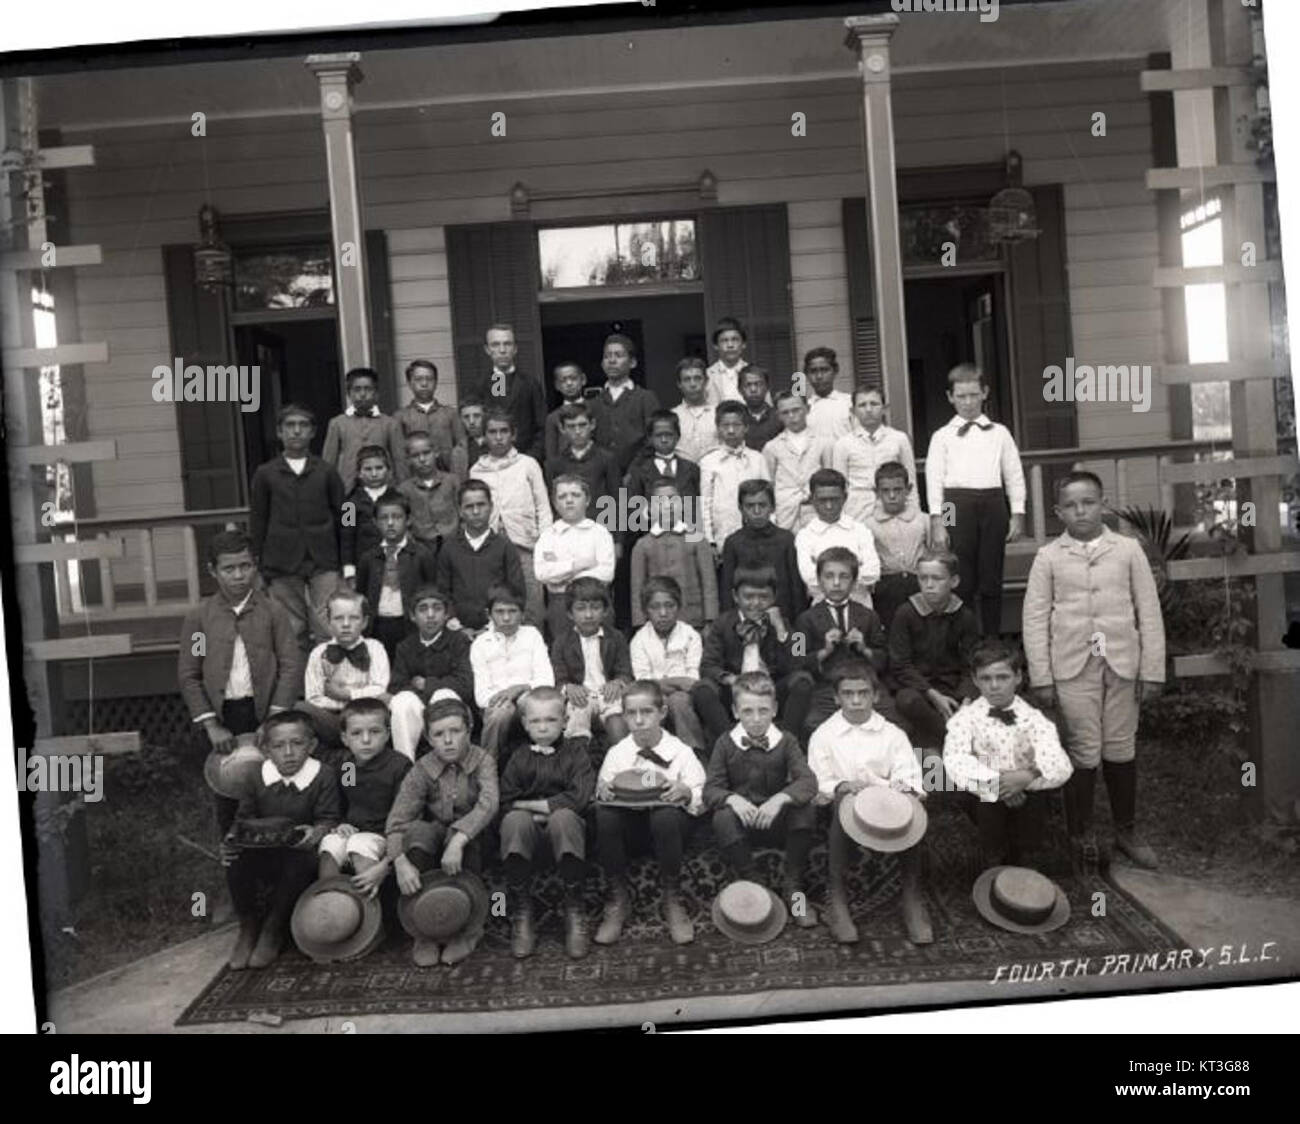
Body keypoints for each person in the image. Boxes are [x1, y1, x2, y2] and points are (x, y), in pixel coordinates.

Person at [1021, 470, 1166, 872]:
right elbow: (1034, 619)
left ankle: (1127, 831)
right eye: (1070, 505)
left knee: (1120, 745)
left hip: (1121, 662)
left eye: (1088, 502)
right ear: (1057, 512)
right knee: (1083, 748)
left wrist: (1151, 670)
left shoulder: (1128, 550)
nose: (1080, 511)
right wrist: (1042, 677)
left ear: (1102, 503)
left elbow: (1149, 612)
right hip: (1071, 665)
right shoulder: (1048, 557)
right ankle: (1080, 833)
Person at [178, 529, 301, 834]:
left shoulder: (273, 612)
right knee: (229, 786)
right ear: (213, 571)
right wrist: (211, 725)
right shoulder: (200, 618)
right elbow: (189, 673)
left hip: (265, 711)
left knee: (274, 783)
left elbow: (289, 665)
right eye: (228, 569)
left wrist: (275, 720)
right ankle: (233, 850)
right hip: (223, 716)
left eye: (245, 567)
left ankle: (278, 845)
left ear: (255, 565)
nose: (238, 576)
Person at [808, 662, 932, 944]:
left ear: (875, 696)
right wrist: (842, 786)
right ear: (836, 698)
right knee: (842, 797)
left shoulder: (893, 734)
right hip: (843, 810)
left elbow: (909, 774)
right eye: (848, 694)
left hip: (887, 808)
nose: (855, 701)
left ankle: (912, 896)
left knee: (912, 804)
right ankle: (837, 898)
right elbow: (818, 782)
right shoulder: (823, 735)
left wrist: (900, 789)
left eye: (863, 693)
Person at [222, 710, 341, 969]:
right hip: (263, 850)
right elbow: (244, 817)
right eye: (278, 745)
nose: (288, 752)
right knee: (236, 860)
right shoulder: (256, 776)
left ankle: (274, 927)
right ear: (266, 750)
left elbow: (330, 817)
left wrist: (317, 831)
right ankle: (248, 926)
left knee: (299, 862)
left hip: (300, 852)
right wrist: (233, 839)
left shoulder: (323, 775)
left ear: (312, 746)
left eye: (297, 744)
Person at [387, 691, 498, 966]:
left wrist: (458, 840)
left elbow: (488, 804)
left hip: (476, 836)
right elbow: (398, 820)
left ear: (469, 730)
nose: (448, 741)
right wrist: (399, 861)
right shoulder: (422, 769)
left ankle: (469, 928)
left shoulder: (483, 760)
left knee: (466, 838)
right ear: (427, 738)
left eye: (455, 731)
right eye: (438, 734)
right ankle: (424, 928)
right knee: (418, 833)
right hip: (438, 834)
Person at [593, 680, 706, 946]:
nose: (639, 720)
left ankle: (671, 896)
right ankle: (619, 896)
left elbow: (704, 795)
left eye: (647, 712)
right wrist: (605, 793)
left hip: (670, 832)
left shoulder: (680, 751)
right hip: (634, 833)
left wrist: (687, 792)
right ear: (624, 716)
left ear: (663, 713)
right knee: (604, 814)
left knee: (664, 814)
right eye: (631, 714)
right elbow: (601, 789)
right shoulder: (617, 753)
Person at [943, 640, 1073, 869]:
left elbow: (1059, 763)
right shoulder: (965, 719)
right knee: (988, 804)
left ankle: (1024, 858)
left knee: (1033, 808)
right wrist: (998, 785)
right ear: (975, 680)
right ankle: (992, 859)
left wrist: (1027, 777)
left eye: (1002, 677)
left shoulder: (1034, 719)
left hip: (1027, 790)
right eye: (986, 678)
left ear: (1018, 677)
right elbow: (955, 761)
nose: (994, 686)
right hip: (984, 792)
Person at [704, 671, 819, 926]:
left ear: (775, 709)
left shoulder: (786, 741)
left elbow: (808, 782)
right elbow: (710, 789)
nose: (756, 720)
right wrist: (732, 799)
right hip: (742, 828)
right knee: (722, 816)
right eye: (747, 711)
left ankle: (793, 886)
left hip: (775, 822)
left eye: (763, 711)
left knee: (804, 808)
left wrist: (779, 799)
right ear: (735, 711)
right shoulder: (725, 743)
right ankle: (753, 880)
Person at [925, 362, 1026, 636]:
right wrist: (939, 522)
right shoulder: (942, 436)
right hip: (956, 505)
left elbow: (1013, 475)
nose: (968, 402)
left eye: (973, 395)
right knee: (963, 578)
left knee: (991, 578)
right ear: (950, 397)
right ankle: (966, 640)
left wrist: (1017, 513)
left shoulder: (999, 433)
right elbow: (936, 482)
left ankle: (992, 638)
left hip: (993, 504)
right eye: (961, 396)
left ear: (984, 393)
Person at [497, 687, 595, 959]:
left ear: (565, 721)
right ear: (525, 724)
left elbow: (579, 798)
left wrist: (534, 807)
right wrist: (537, 810)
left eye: (550, 720)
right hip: (527, 839)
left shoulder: (577, 754)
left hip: (567, 837)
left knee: (563, 816)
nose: (542, 727)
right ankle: (520, 909)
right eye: (535, 721)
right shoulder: (517, 757)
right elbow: (505, 801)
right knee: (514, 820)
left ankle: (574, 907)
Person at [249, 403, 345, 651]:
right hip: (281, 559)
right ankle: (297, 686)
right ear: (280, 432)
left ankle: (327, 683)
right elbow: (258, 518)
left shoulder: (326, 471)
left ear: (313, 432)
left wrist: (348, 557)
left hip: (323, 557)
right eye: (290, 426)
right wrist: (258, 563)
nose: (296, 431)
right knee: (291, 627)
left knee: (327, 622)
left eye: (303, 426)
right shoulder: (266, 473)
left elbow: (347, 513)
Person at [691, 565, 814, 747]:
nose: (755, 603)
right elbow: (708, 666)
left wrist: (781, 630)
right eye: (748, 597)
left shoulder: (787, 622)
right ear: (735, 596)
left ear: (773, 598)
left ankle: (786, 744)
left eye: (763, 597)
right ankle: (732, 745)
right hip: (733, 689)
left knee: (803, 680)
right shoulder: (721, 624)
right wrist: (731, 680)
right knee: (702, 688)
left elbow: (800, 661)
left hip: (770, 688)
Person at [316, 698, 412, 902]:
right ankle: (332, 901)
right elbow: (345, 799)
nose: (366, 740)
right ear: (344, 738)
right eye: (356, 733)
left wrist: (389, 854)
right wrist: (342, 823)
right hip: (355, 829)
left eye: (374, 732)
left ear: (387, 734)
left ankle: (371, 914)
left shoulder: (398, 767)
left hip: (385, 833)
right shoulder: (349, 766)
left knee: (359, 845)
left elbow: (407, 814)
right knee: (330, 843)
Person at [794, 546, 893, 737]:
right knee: (812, 726)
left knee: (897, 724)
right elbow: (796, 660)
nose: (836, 583)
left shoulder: (869, 616)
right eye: (829, 576)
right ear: (819, 581)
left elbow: (884, 659)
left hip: (866, 686)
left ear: (855, 582)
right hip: (827, 689)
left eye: (844, 577)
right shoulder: (804, 619)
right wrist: (824, 651)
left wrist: (864, 649)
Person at [889, 547, 980, 753]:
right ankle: (953, 740)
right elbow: (900, 665)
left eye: (937, 578)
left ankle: (976, 772)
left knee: (981, 709)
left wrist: (966, 699)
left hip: (953, 688)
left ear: (954, 582)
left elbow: (972, 664)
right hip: (919, 689)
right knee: (907, 701)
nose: (929, 585)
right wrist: (933, 695)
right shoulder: (905, 613)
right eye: (923, 578)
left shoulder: (965, 616)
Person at [469, 409, 553, 629]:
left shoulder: (527, 464)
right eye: (492, 432)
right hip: (491, 547)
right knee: (495, 601)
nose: (498, 437)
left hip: (525, 545)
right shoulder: (477, 470)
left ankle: (536, 647)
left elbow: (542, 506)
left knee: (532, 604)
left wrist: (543, 543)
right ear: (484, 436)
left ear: (513, 435)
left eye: (504, 431)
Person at [388, 585, 475, 761]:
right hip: (418, 709)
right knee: (401, 701)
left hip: (452, 710)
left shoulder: (458, 642)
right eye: (423, 609)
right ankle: (406, 764)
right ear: (413, 616)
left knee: (444, 694)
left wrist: (426, 684)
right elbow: (397, 685)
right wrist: (421, 697)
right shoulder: (406, 646)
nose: (430, 615)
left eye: (437, 608)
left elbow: (465, 684)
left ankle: (450, 761)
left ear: (446, 615)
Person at [469, 584, 555, 755]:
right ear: (489, 615)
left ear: (522, 614)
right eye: (500, 612)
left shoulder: (532, 635)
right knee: (501, 713)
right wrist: (505, 699)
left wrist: (519, 689)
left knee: (531, 702)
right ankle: (488, 764)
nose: (506, 618)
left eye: (513, 611)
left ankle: (545, 759)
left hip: (529, 699)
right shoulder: (480, 644)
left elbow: (546, 680)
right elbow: (481, 696)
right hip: (495, 706)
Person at [433, 479, 526, 637]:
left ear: (491, 507)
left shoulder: (505, 547)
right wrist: (458, 627)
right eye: (469, 507)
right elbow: (443, 592)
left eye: (481, 505)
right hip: (457, 632)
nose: (476, 511)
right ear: (460, 510)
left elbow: (516, 592)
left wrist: (492, 626)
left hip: (498, 631)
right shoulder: (449, 548)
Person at [301, 589, 391, 747]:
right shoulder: (318, 654)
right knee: (301, 708)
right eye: (338, 618)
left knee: (388, 703)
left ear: (364, 622)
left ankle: (360, 751)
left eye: (354, 618)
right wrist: (344, 705)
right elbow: (314, 698)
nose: (346, 624)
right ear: (328, 622)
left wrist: (345, 695)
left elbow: (379, 689)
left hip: (367, 718)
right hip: (332, 719)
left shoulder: (375, 648)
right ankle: (345, 760)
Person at [629, 576, 708, 755]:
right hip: (653, 696)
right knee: (653, 703)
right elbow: (643, 682)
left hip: (686, 697)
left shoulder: (690, 635)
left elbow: (692, 680)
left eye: (669, 605)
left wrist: (665, 683)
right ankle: (651, 753)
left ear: (679, 607)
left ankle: (693, 753)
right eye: (655, 607)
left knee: (678, 700)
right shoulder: (639, 640)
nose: (663, 613)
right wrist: (676, 681)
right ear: (645, 611)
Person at [532, 473, 617, 640]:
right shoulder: (548, 536)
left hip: (595, 603)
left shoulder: (600, 533)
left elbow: (606, 573)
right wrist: (577, 565)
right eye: (562, 496)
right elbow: (542, 573)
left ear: (587, 500)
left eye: (576, 495)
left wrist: (563, 575)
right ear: (555, 503)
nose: (569, 500)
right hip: (560, 606)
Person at [354, 492, 438, 659]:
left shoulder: (422, 555)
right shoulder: (368, 558)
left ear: (408, 521)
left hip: (410, 627)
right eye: (384, 518)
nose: (390, 523)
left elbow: (432, 589)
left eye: (397, 517)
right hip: (378, 626)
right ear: (375, 522)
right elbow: (361, 594)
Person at [550, 577, 631, 747]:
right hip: (581, 696)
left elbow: (624, 670)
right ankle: (577, 764)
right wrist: (568, 688)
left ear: (605, 611)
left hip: (609, 694)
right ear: (570, 614)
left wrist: (618, 682)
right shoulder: (562, 642)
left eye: (595, 608)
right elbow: (558, 677)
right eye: (581, 609)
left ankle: (623, 762)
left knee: (616, 720)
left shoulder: (616, 637)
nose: (588, 615)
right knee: (578, 717)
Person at [629, 478, 717, 632]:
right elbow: (637, 589)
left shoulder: (697, 539)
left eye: (672, 500)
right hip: (656, 623)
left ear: (682, 504)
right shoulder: (642, 545)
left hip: (694, 620)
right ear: (650, 508)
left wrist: (710, 620)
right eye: (660, 502)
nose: (667, 506)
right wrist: (640, 624)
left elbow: (709, 583)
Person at [719, 479, 806, 625]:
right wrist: (730, 625)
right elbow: (728, 589)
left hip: (783, 618)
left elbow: (796, 587)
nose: (757, 511)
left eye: (762, 505)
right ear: (741, 508)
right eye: (750, 506)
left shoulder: (786, 539)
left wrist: (798, 624)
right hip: (746, 620)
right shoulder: (733, 542)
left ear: (772, 507)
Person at [795, 468, 880, 606]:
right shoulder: (805, 536)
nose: (829, 506)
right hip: (822, 610)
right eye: (823, 500)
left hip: (860, 607)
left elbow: (873, 572)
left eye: (834, 499)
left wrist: (826, 576)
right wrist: (852, 573)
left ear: (845, 497)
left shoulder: (860, 530)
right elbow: (809, 577)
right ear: (812, 499)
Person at [833, 386, 917, 523]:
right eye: (862, 405)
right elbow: (840, 487)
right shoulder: (843, 444)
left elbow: (911, 482)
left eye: (874, 404)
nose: (868, 409)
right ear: (853, 411)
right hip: (856, 512)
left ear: (885, 408)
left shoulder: (899, 439)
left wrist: (914, 515)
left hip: (893, 508)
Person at [699, 400, 770, 560]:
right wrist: (710, 541)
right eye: (725, 425)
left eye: (736, 425)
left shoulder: (757, 458)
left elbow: (768, 499)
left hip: (758, 536)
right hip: (724, 535)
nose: (731, 430)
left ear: (746, 427)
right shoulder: (709, 462)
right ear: (718, 428)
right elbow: (704, 503)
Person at [321, 367, 407, 493]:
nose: (362, 394)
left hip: (384, 490)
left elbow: (400, 461)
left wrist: (402, 490)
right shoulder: (337, 424)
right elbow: (328, 462)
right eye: (357, 389)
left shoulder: (390, 423)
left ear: (376, 393)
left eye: (368, 389)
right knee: (348, 513)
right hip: (347, 491)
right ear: (349, 394)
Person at [867, 461, 927, 634]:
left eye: (898, 490)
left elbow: (937, 549)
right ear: (876, 492)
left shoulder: (923, 520)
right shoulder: (869, 524)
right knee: (892, 632)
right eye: (885, 491)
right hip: (887, 588)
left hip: (918, 585)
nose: (892, 496)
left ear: (908, 490)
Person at [472, 323, 547, 461]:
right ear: (487, 350)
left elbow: (541, 426)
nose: (502, 350)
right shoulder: (481, 385)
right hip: (492, 460)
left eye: (507, 344)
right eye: (496, 345)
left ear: (515, 349)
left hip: (525, 458)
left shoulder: (530, 383)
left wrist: (531, 457)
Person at [588, 333, 661, 474]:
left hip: (639, 474)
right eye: (607, 356)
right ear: (602, 363)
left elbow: (653, 437)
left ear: (632, 362)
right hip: (603, 475)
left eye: (618, 355)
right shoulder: (593, 403)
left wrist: (634, 470)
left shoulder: (645, 398)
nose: (612, 360)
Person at [763, 390, 834, 531]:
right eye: (785, 412)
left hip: (815, 509)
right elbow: (769, 484)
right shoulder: (772, 447)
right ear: (778, 415)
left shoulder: (824, 442)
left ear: (807, 409)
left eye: (796, 410)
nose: (792, 416)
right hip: (786, 512)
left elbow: (829, 477)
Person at [394, 359, 467, 479]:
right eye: (418, 379)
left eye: (429, 379)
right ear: (409, 383)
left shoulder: (450, 414)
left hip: (447, 477)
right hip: (415, 481)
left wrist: (457, 479)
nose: (424, 384)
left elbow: (461, 448)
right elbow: (399, 455)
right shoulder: (401, 417)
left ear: (436, 382)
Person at [545, 401, 620, 516]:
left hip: (602, 527)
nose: (578, 431)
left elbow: (618, 500)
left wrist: (616, 532)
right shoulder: (556, 464)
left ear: (592, 424)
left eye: (582, 425)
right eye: (571, 426)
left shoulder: (607, 459)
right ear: (562, 429)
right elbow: (554, 504)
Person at [340, 445, 400, 582]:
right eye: (368, 469)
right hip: (363, 566)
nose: (374, 474)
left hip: (394, 565)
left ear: (388, 471)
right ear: (359, 473)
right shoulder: (349, 504)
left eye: (379, 468)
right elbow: (346, 538)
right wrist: (349, 570)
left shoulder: (398, 498)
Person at [398, 432, 460, 553]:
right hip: (422, 549)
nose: (422, 459)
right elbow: (404, 523)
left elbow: (462, 512)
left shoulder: (452, 481)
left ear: (436, 452)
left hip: (454, 545)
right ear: (408, 460)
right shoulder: (404, 489)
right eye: (415, 456)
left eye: (426, 453)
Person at [622, 410, 701, 502]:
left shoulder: (692, 469)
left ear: (678, 436)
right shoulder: (639, 472)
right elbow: (633, 507)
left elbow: (698, 503)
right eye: (658, 435)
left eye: (669, 435)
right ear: (650, 438)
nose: (664, 440)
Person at [799, 347, 853, 444]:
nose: (819, 376)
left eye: (824, 370)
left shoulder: (849, 403)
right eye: (813, 371)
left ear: (835, 371)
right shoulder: (803, 409)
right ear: (806, 374)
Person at [671, 356, 719, 464]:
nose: (693, 384)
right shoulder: (673, 416)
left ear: (706, 381)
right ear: (679, 384)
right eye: (687, 379)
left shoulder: (719, 413)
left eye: (697, 378)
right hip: (683, 476)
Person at [544, 361, 589, 464]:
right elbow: (551, 455)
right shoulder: (552, 418)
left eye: (573, 379)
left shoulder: (595, 409)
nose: (569, 383)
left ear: (583, 380)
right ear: (557, 385)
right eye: (563, 380)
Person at [706, 316, 749, 405]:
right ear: (716, 346)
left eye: (735, 339)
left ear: (743, 344)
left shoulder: (755, 374)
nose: (730, 345)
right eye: (724, 340)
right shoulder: (707, 375)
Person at [739, 366, 782, 451]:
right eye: (748, 385)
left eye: (758, 384)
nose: (753, 389)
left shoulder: (779, 417)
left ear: (767, 387)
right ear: (740, 390)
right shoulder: (737, 419)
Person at [459, 398, 490, 466]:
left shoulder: (497, 442)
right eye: (466, 417)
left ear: (485, 417)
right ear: (461, 420)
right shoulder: (459, 450)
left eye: (476, 416)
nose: (471, 421)